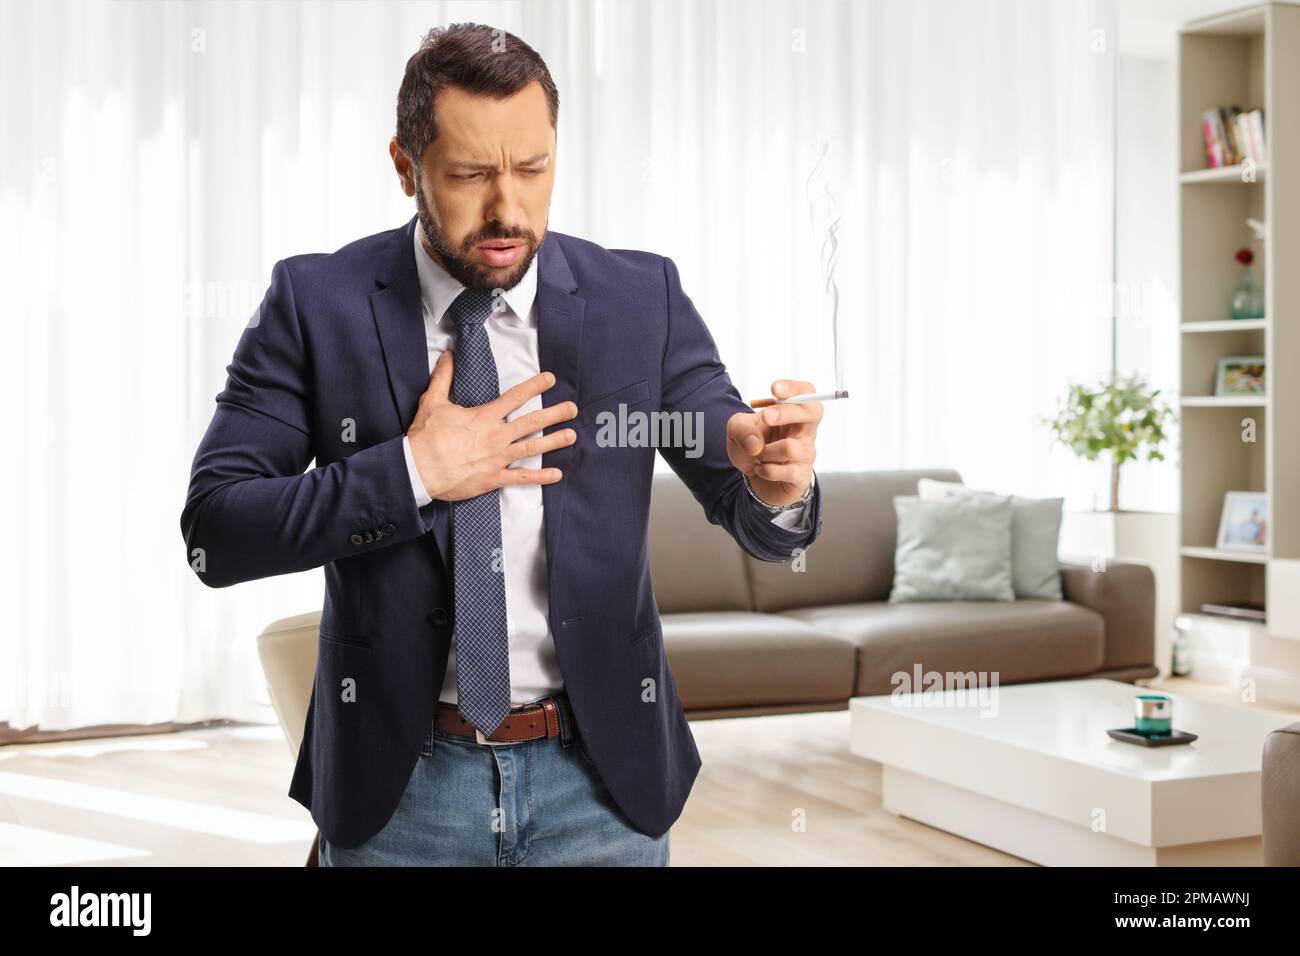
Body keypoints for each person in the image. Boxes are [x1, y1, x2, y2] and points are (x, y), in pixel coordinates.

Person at [181, 21, 825, 866]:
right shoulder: (317, 302)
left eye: (532, 169)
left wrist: (777, 485)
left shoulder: (640, 297)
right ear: (406, 167)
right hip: (401, 793)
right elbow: (216, 532)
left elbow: (745, 493)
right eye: (470, 174)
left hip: (603, 788)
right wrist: (415, 471)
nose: (508, 210)